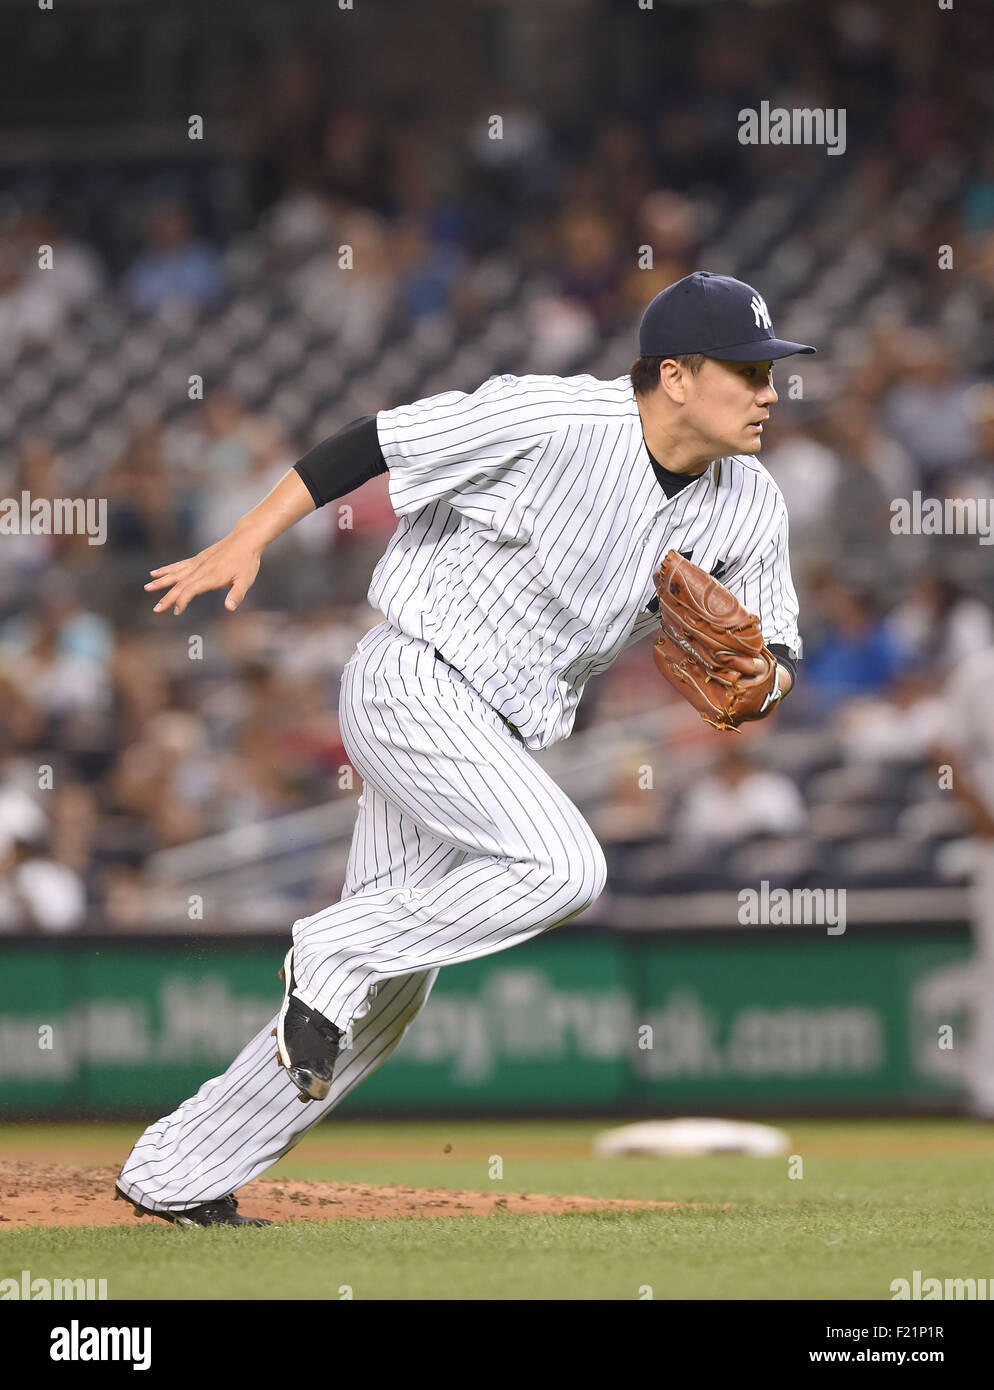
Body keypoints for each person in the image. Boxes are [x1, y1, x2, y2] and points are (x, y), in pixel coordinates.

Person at [116, 271, 811, 1225]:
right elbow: (376, 440)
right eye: (749, 370)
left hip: (502, 739)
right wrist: (248, 538)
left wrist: (760, 683)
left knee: (390, 1004)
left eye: (771, 371)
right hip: (415, 677)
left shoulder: (751, 504)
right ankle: (329, 950)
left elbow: (774, 654)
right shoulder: (551, 416)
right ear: (677, 376)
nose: (771, 390)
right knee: (563, 866)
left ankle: (178, 1174)